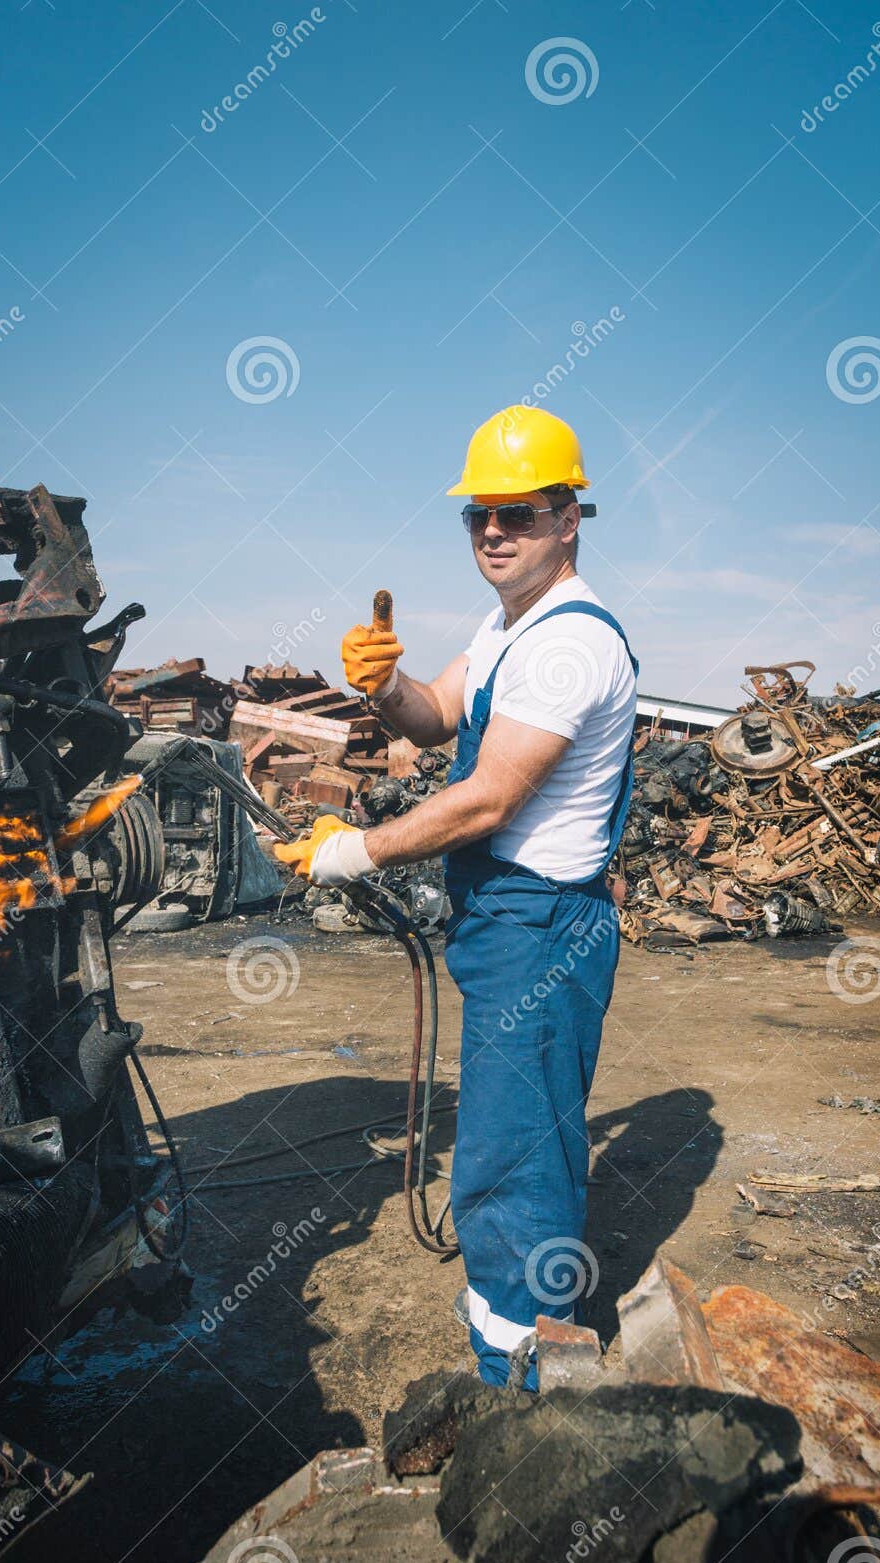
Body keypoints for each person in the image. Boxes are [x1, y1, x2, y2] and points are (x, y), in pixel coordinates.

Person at [275, 405, 638, 1388]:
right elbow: (435, 719)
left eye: (517, 513)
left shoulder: (569, 643)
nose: (491, 530)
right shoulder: (506, 623)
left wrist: (356, 850)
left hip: (539, 925)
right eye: (478, 513)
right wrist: (383, 686)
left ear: (569, 517)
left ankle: (525, 1372)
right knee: (499, 1135)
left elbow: (484, 798)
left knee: (517, 1153)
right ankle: (507, 1324)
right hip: (504, 922)